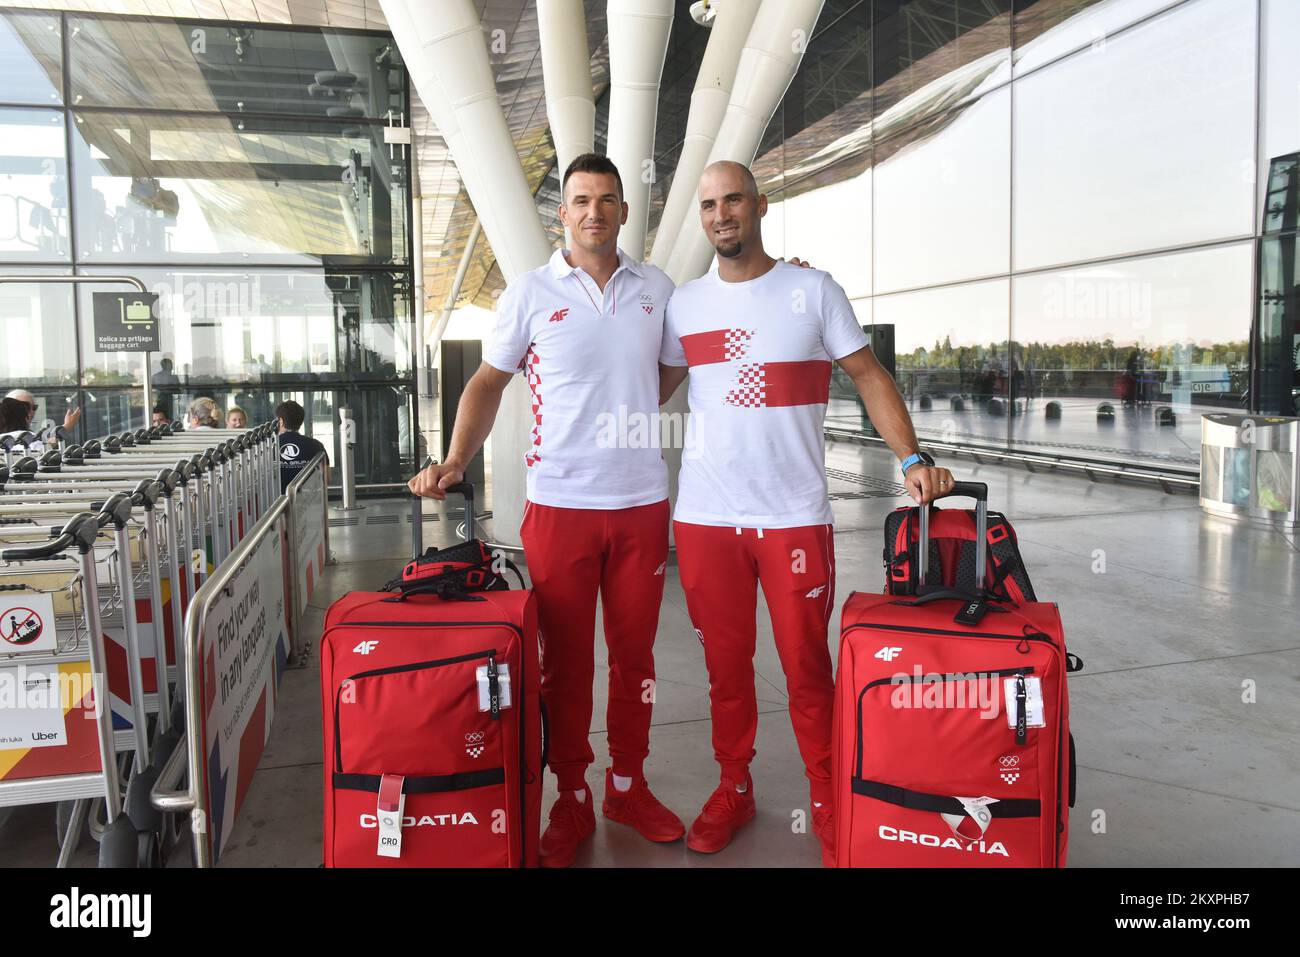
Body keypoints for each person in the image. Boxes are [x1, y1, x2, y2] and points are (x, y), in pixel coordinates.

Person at [658, 161, 955, 866]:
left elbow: (869, 374)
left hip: (792, 516)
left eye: (733, 199)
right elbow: (646, 382)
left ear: (759, 206)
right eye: (709, 204)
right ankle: (734, 786)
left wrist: (913, 460)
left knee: (805, 668)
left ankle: (827, 795)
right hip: (705, 518)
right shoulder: (684, 305)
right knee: (726, 670)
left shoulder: (812, 288)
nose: (721, 213)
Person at [408, 153, 685, 868]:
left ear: (625, 212)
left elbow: (674, 366)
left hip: (641, 507)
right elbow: (486, 384)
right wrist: (457, 461)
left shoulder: (657, 288)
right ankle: (572, 794)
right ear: (562, 212)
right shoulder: (530, 294)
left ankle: (627, 783)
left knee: (635, 659)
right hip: (560, 507)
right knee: (564, 665)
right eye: (581, 199)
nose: (595, 210)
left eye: (608, 199)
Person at [275, 400, 327, 492]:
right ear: (301, 421)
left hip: (276, 502)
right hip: (307, 501)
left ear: (281, 421)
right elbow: (326, 479)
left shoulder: (269, 446)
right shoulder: (316, 445)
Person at [5, 389, 81, 445]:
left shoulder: (29, 435)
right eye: (25, 407)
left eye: (34, 407)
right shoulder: (15, 436)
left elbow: (43, 446)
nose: (31, 412)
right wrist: (66, 426)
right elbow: (44, 449)